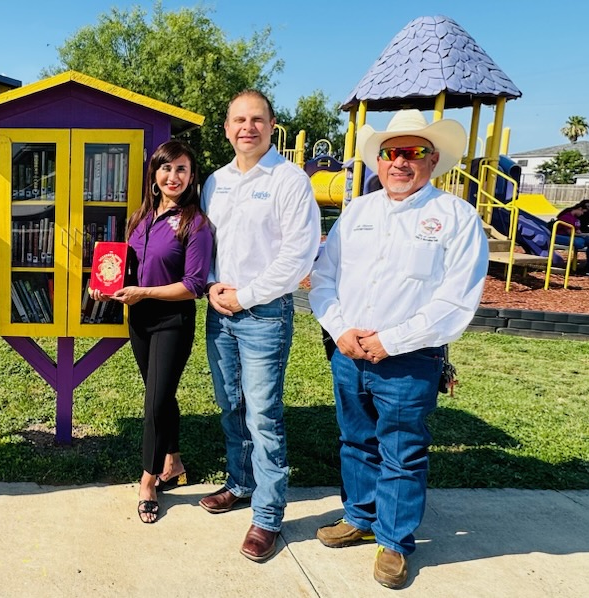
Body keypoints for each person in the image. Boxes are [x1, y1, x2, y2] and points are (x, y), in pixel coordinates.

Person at [309, 109, 489, 589]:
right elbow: (324, 279)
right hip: (349, 352)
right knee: (355, 440)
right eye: (391, 152)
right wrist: (341, 329)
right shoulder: (358, 212)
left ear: (432, 161)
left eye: (414, 153)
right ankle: (360, 517)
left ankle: (394, 542)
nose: (400, 162)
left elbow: (455, 301)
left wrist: (391, 341)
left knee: (403, 452)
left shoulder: (456, 218)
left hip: (409, 359)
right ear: (379, 160)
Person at [200, 90, 321, 560]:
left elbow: (297, 256)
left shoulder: (290, 181)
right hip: (219, 312)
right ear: (227, 128)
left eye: (256, 119)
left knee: (263, 416)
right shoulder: (216, 181)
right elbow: (205, 244)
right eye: (238, 120)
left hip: (264, 315)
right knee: (230, 406)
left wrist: (245, 295)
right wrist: (211, 286)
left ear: (272, 126)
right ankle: (241, 481)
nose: (246, 127)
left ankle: (267, 515)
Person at [90, 140, 214, 524]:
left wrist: (142, 292)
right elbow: (126, 267)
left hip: (171, 321)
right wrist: (104, 284)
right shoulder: (141, 217)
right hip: (139, 321)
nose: (172, 176)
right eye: (165, 168)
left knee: (154, 403)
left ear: (192, 176)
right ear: (154, 174)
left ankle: (148, 480)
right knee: (160, 396)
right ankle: (173, 460)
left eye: (181, 169)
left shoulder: (196, 224)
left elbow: (193, 285)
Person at [553, 199, 589, 275]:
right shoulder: (567, 217)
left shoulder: (575, 219)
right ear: (580, 209)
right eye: (583, 212)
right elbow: (571, 233)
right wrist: (585, 235)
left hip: (571, 235)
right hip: (562, 236)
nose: (582, 214)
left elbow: (578, 231)